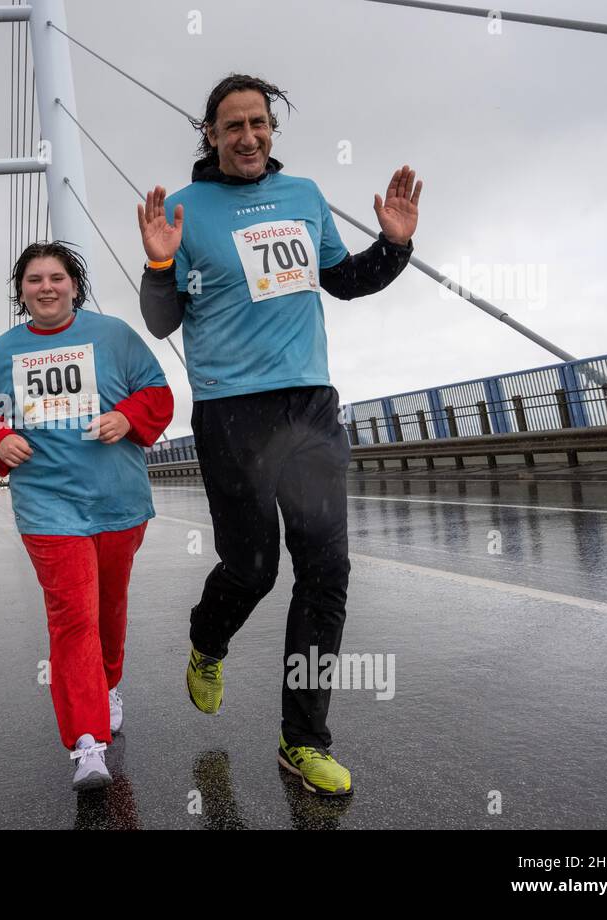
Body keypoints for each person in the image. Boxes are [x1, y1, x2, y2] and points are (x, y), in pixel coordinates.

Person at [136, 73, 421, 796]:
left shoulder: (304, 198)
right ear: (210, 135)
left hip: (310, 408)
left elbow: (344, 281)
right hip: (233, 411)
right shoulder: (187, 209)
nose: (248, 136)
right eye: (232, 126)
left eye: (258, 123)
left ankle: (304, 742)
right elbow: (163, 320)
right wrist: (160, 263)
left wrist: (392, 247)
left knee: (326, 573)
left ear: (272, 129)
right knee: (254, 570)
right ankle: (208, 641)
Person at [0, 241, 173, 791]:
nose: (46, 287)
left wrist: (127, 418)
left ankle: (106, 685)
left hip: (118, 501)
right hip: (48, 508)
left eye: (56, 277)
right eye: (33, 279)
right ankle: (87, 744)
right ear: (21, 292)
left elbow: (159, 395)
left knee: (109, 608)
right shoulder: (0, 353)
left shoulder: (116, 336)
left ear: (74, 286)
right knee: (72, 617)